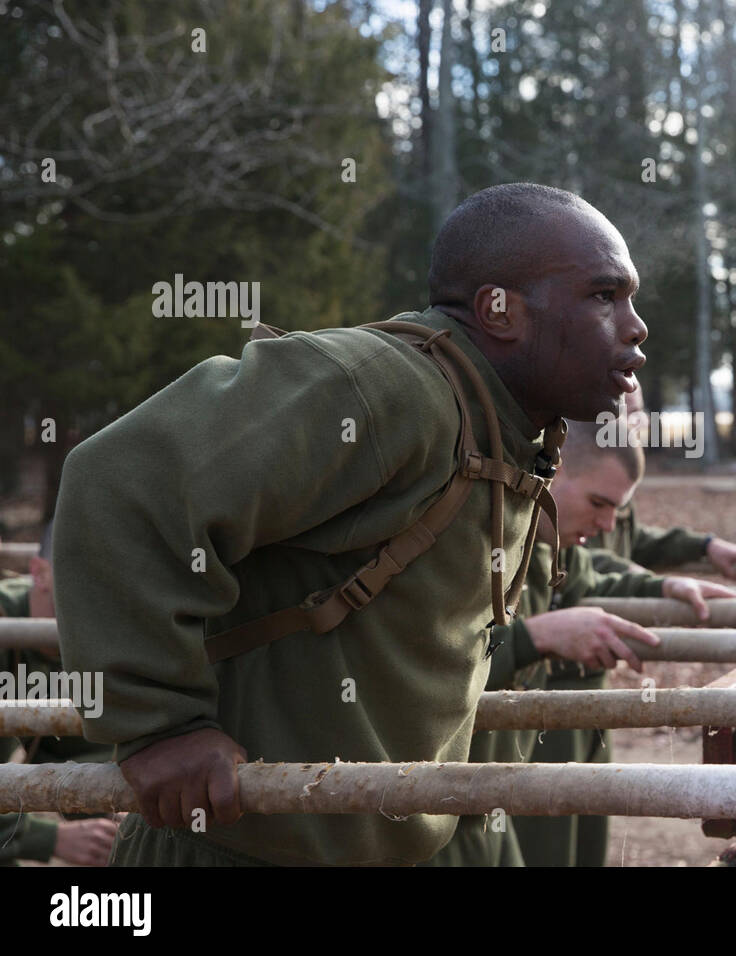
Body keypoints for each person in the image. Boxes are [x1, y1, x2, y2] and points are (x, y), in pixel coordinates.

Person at [51, 183, 650, 866]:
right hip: (243, 847)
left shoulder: (505, 433)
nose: (635, 325)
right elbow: (120, 483)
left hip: (363, 838)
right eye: (604, 295)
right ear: (498, 309)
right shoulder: (392, 388)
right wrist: (161, 727)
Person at [424, 427, 736, 866]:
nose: (609, 525)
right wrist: (538, 638)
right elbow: (425, 671)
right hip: (427, 805)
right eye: (598, 504)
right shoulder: (467, 537)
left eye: (616, 510)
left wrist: (667, 585)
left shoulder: (547, 545)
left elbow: (597, 577)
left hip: (482, 798)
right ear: (555, 469)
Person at [0, 526, 119, 866]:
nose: (86, 613)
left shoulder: (104, 640)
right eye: (74, 590)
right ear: (39, 573)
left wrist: (124, 804)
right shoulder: (5, 622)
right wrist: (45, 837)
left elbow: (92, 754)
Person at [587, 384, 736, 577]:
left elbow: (633, 541)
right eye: (628, 412)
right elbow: (569, 561)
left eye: (640, 412)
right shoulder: (569, 474)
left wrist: (704, 546)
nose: (639, 422)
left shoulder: (615, 475)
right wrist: (643, 581)